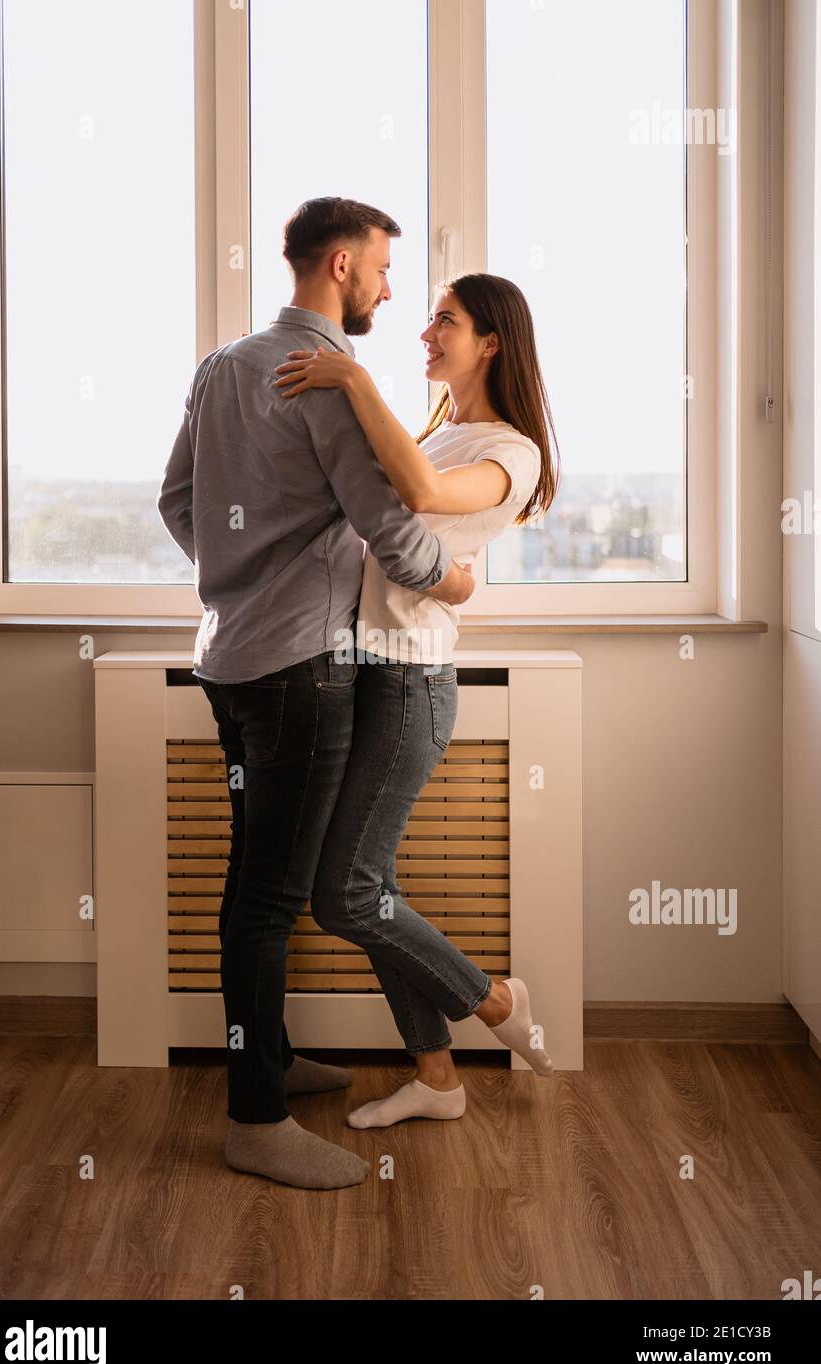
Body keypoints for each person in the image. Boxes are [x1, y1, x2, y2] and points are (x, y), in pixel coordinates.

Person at [157, 197, 475, 1190]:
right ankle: (254, 1117)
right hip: (301, 670)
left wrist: (240, 571)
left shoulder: (221, 368)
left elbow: (175, 499)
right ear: (338, 264)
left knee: (257, 886)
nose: (388, 288)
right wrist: (457, 581)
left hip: (229, 659)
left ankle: (272, 1057)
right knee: (268, 898)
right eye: (382, 268)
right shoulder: (328, 379)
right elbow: (389, 524)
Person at [272, 270, 560, 1130]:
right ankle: (437, 1080)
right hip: (367, 669)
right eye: (430, 316)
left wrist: (354, 378)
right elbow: (393, 527)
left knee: (346, 895)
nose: (426, 331)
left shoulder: (510, 451)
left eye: (446, 319)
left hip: (409, 684)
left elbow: (428, 505)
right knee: (374, 884)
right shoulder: (442, 429)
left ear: (492, 341)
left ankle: (495, 1000)